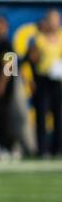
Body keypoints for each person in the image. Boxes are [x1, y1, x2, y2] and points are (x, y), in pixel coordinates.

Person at [27, 9, 62, 158]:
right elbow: (30, 59)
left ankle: (58, 149)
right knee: (41, 116)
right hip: (44, 81)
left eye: (57, 20)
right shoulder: (39, 39)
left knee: (59, 117)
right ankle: (43, 150)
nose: (55, 23)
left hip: (58, 81)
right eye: (52, 20)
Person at [0, 15, 20, 158]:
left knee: (4, 118)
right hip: (1, 87)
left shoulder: (6, 43)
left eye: (0, 24)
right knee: (1, 118)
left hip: (4, 89)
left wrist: (1, 83)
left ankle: (8, 148)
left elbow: (9, 66)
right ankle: (5, 147)